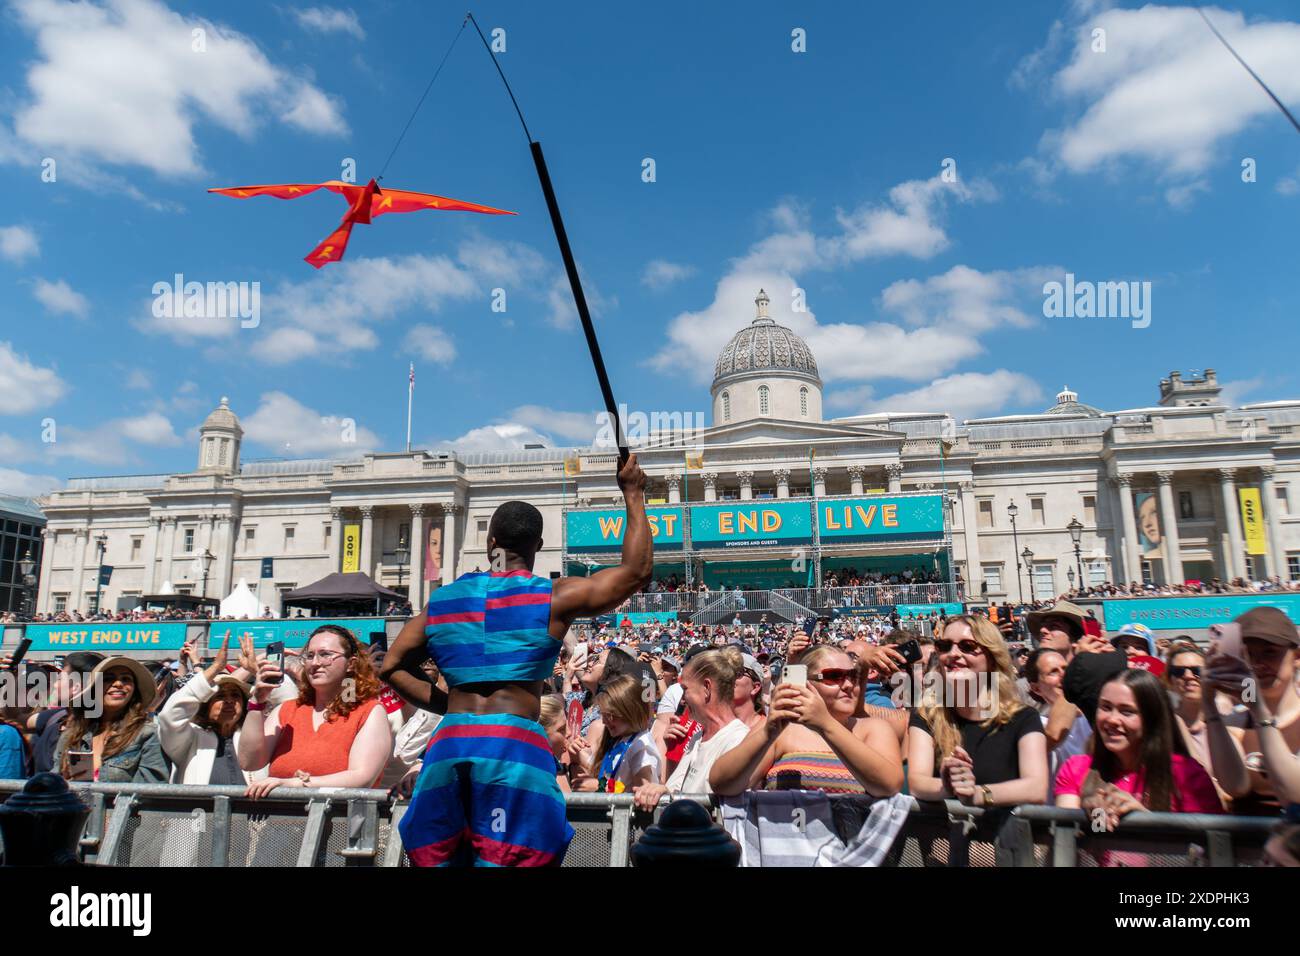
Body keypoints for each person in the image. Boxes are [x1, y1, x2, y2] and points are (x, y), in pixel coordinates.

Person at [380, 455, 653, 866]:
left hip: (450, 746)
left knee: (440, 856)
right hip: (514, 746)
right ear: (537, 548)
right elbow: (635, 572)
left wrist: (450, 707)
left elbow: (392, 667)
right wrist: (633, 492)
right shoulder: (553, 597)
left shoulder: (444, 601)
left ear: (491, 543)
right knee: (516, 855)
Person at [710, 645, 903, 797]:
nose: (848, 685)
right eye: (834, 676)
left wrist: (826, 724)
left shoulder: (873, 729)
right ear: (804, 682)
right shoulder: (781, 729)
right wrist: (767, 734)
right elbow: (723, 784)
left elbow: (888, 785)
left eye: (853, 676)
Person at [1055, 669, 1222, 843]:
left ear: (1152, 718)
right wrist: (1087, 814)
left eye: (1126, 711)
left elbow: (1210, 848)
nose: (1112, 719)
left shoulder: (1187, 774)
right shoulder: (1077, 768)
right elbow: (1067, 845)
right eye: (1105, 707)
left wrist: (1145, 820)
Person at [907, 615, 1049, 811]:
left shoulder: (1023, 718)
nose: (953, 653)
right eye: (945, 645)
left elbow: (1036, 788)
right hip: (945, 838)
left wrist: (977, 794)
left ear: (991, 658)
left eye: (967, 646)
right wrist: (948, 786)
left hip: (1004, 839)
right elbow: (917, 782)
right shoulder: (926, 715)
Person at [238, 624, 393, 795]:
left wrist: (295, 785)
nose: (315, 663)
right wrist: (257, 702)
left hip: (340, 819)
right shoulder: (286, 710)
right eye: (310, 656)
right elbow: (249, 762)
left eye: (326, 655)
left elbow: (362, 777)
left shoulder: (369, 711)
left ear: (351, 664)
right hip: (279, 819)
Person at [1202, 608, 1300, 812]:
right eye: (1247, 655)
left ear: (1296, 656)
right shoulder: (1235, 720)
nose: (1258, 664)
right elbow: (1236, 786)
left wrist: (1260, 713)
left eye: (1269, 653)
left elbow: (1294, 794)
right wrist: (1209, 705)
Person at [632, 649, 748, 811]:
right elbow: (674, 788)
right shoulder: (699, 737)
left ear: (707, 688)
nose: (682, 700)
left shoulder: (738, 739)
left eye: (685, 689)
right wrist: (657, 789)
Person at [158, 632, 256, 785]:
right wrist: (216, 667)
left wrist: (256, 669)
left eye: (235, 695)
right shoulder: (190, 738)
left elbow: (286, 702)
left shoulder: (254, 737)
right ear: (206, 705)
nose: (229, 701)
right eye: (220, 696)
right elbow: (169, 716)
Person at [54, 656, 168, 784]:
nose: (118, 684)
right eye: (108, 679)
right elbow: (52, 780)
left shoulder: (148, 735)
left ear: (134, 691)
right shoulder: (72, 735)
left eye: (126, 679)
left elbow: (150, 792)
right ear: (93, 689)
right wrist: (62, 783)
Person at [25, 651, 105, 774]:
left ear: (76, 688)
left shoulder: (96, 735)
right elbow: (16, 719)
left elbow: (82, 783)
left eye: (59, 679)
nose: (55, 685)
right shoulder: (56, 717)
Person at [579, 674, 660, 794]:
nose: (604, 721)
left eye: (610, 715)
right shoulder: (621, 737)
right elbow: (611, 773)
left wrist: (600, 786)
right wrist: (579, 753)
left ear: (630, 711)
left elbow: (642, 792)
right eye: (603, 714)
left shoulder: (642, 747)